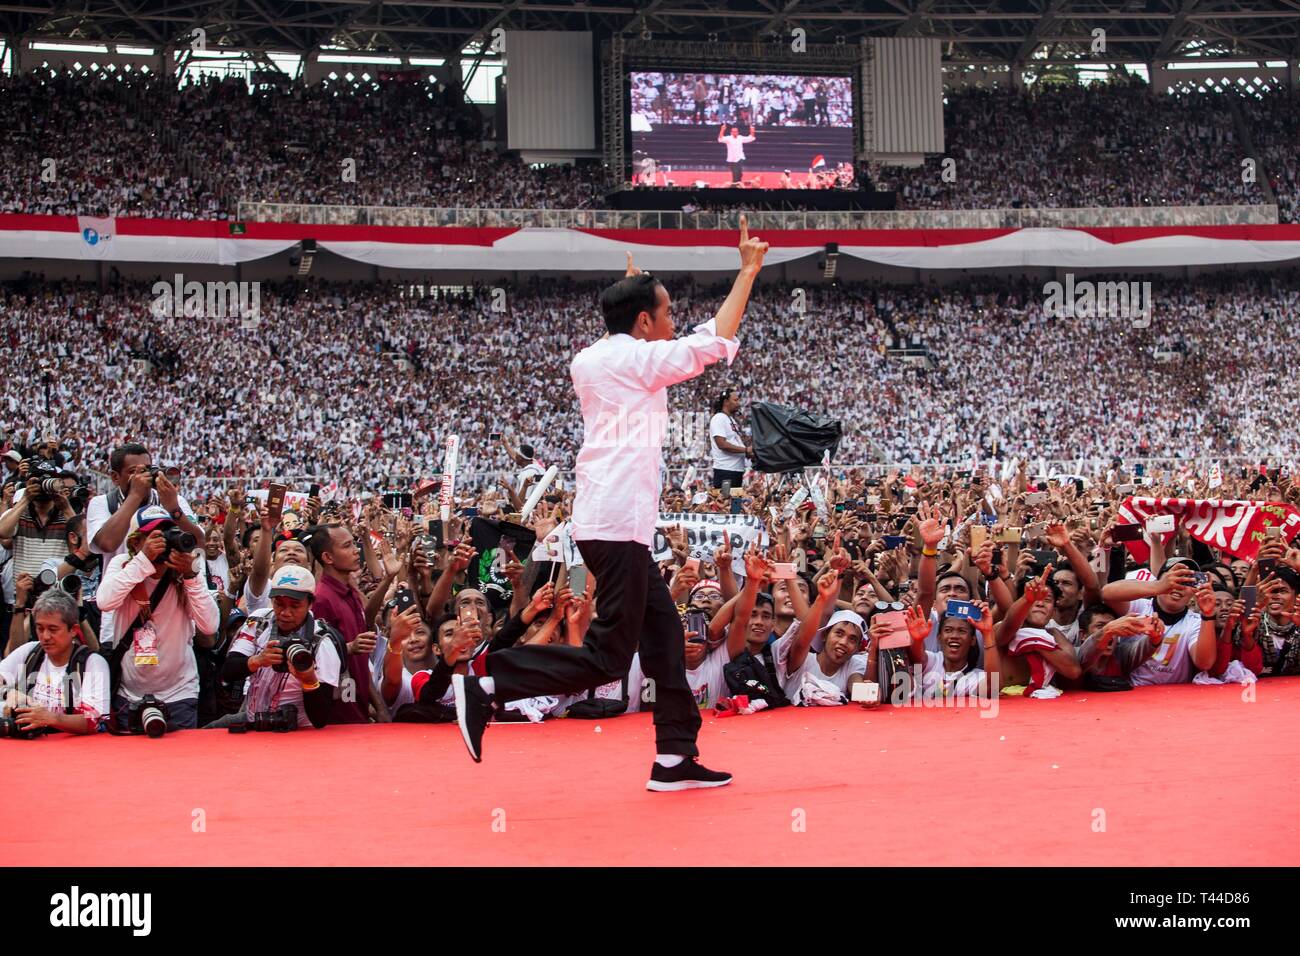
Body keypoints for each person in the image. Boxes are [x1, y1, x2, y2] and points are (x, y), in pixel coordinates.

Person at [449, 217, 769, 792]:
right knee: (607, 659)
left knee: (665, 641)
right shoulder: (638, 363)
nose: (673, 323)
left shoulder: (591, 359)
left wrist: (634, 289)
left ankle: (674, 757)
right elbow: (715, 339)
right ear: (643, 320)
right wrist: (747, 271)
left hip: (613, 523)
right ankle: (488, 682)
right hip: (619, 525)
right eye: (666, 313)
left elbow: (643, 337)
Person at [95, 505, 220, 731]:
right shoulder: (123, 564)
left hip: (179, 694)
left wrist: (191, 576)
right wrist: (143, 561)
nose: (165, 542)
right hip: (130, 695)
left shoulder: (187, 569)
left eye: (168, 534)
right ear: (135, 542)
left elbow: (210, 626)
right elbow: (105, 602)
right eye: (156, 536)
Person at [215, 565, 342, 730]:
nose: (285, 612)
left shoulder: (322, 643)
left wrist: (309, 680)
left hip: (299, 731)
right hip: (255, 722)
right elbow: (228, 672)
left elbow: (320, 719)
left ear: (310, 604)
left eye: (295, 606)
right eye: (279, 604)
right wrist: (257, 661)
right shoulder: (259, 622)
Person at [0, 589, 108, 735]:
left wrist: (50, 718)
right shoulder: (30, 651)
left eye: (53, 629)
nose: (45, 636)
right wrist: (8, 692)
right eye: (40, 628)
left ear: (74, 630)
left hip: (72, 746)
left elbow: (94, 720)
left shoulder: (92, 663)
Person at [709, 388, 751, 489]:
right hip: (726, 471)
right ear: (726, 402)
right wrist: (745, 450)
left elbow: (734, 442)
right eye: (735, 400)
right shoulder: (719, 418)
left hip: (735, 470)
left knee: (735, 499)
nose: (738, 403)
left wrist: (748, 452)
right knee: (725, 499)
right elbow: (722, 444)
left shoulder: (730, 419)